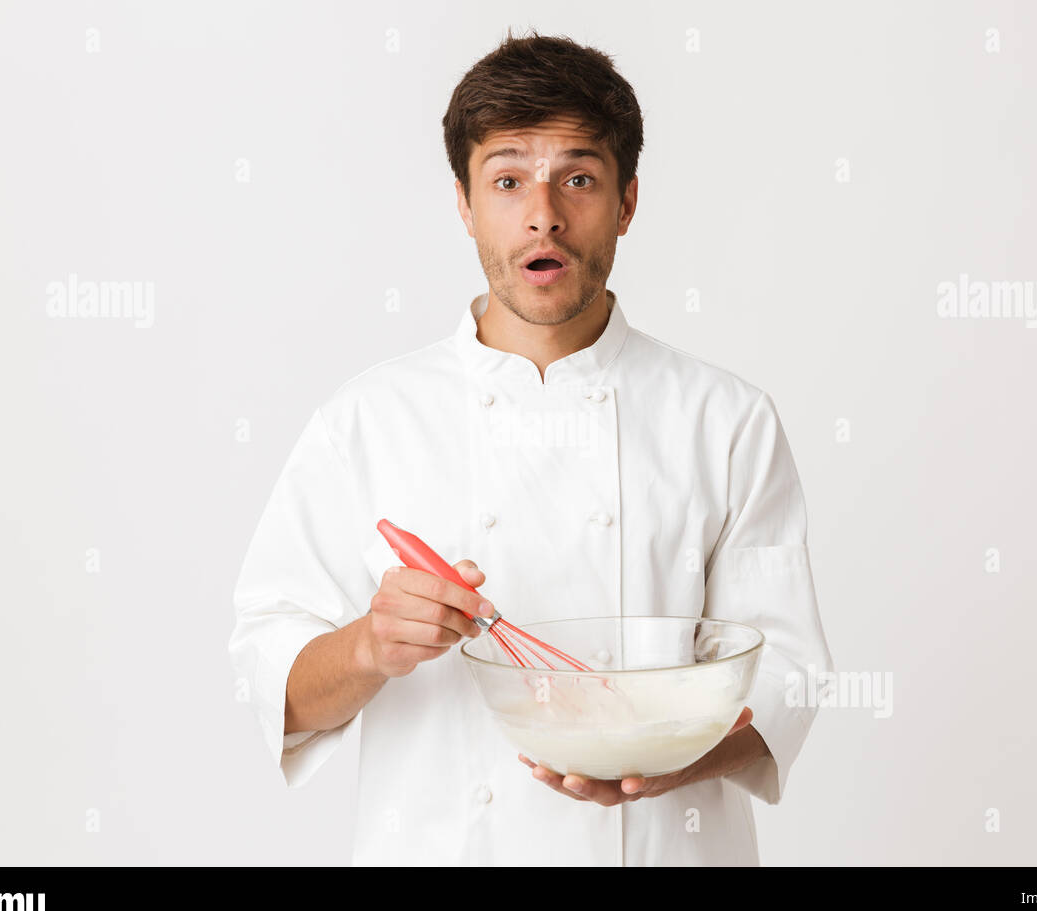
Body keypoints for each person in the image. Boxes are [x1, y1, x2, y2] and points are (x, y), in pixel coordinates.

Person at [230, 28, 833, 866]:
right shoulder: (367, 420)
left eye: (578, 179)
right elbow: (273, 684)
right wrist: (370, 645)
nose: (543, 212)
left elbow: (786, 673)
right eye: (508, 179)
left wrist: (667, 757)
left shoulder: (724, 420)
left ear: (626, 201)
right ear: (464, 203)